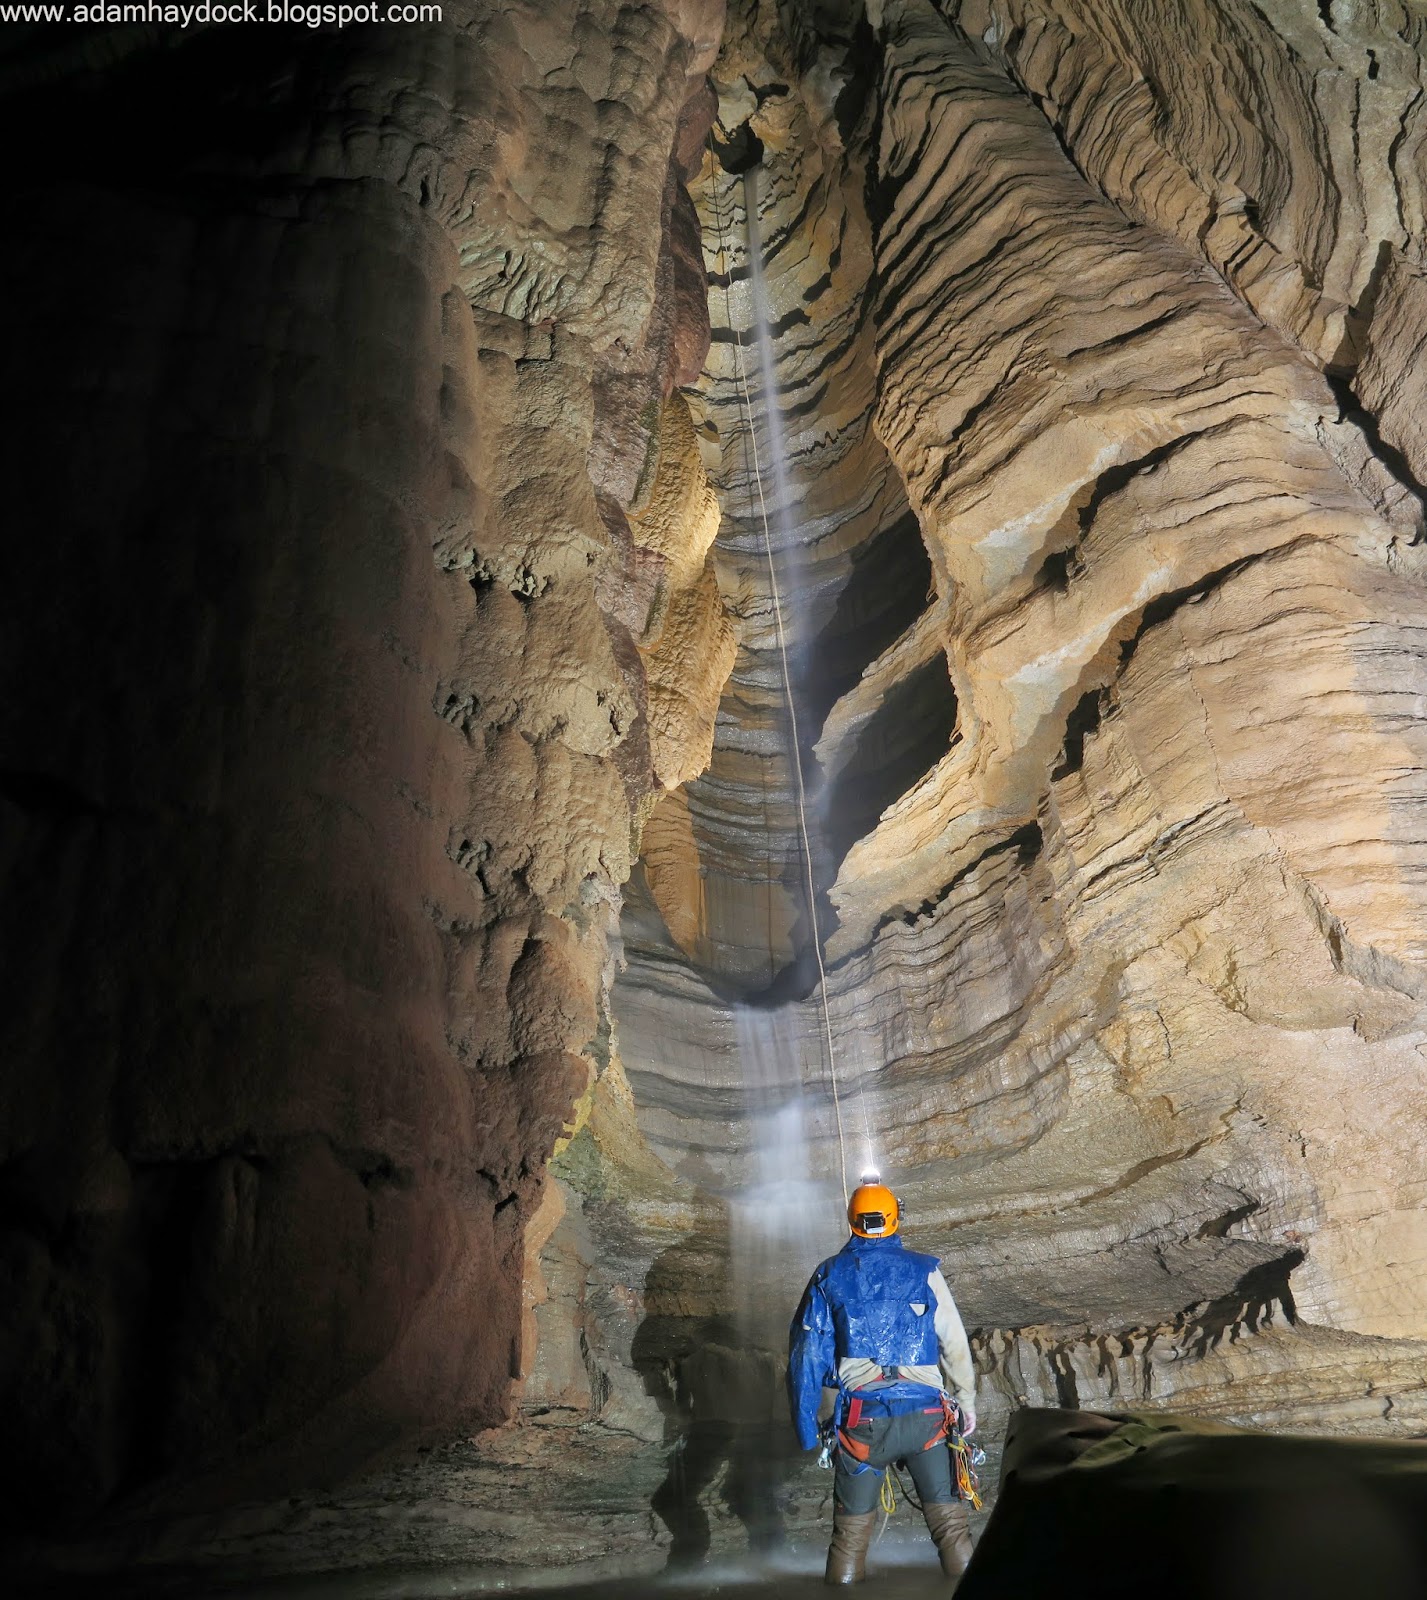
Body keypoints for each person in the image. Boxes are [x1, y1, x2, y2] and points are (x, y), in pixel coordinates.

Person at [788, 1173, 978, 1586]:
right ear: (896, 1218)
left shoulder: (829, 1274)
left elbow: (805, 1355)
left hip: (862, 1423)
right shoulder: (925, 1271)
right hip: (927, 1418)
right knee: (951, 1529)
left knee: (849, 1539)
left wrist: (806, 1431)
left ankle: (841, 1592)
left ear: (851, 1220)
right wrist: (966, 1402)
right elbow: (954, 1341)